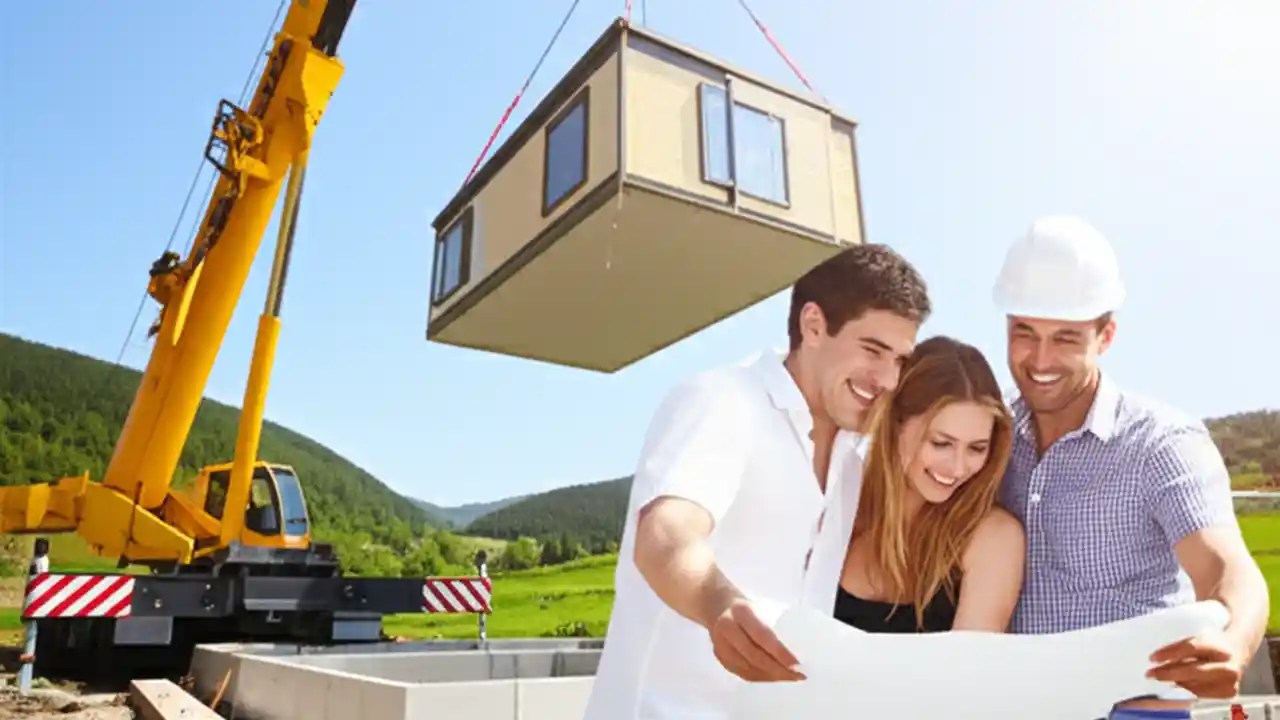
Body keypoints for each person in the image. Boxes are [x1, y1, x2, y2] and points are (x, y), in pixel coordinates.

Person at [581, 243, 932, 720]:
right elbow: (665, 531)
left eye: (900, 360)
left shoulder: (856, 461)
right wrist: (717, 602)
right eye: (873, 350)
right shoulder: (725, 400)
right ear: (813, 326)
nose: (888, 379)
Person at [991, 215, 1270, 718]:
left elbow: (1225, 566)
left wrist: (1236, 643)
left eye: (1066, 338)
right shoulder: (988, 435)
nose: (1040, 358)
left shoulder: (1161, 443)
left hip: (1132, 712)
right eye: (1024, 332)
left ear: (1106, 336)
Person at [833, 335, 1026, 634]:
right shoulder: (839, 506)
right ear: (895, 424)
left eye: (976, 448)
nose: (958, 467)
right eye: (941, 443)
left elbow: (970, 673)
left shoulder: (991, 538)